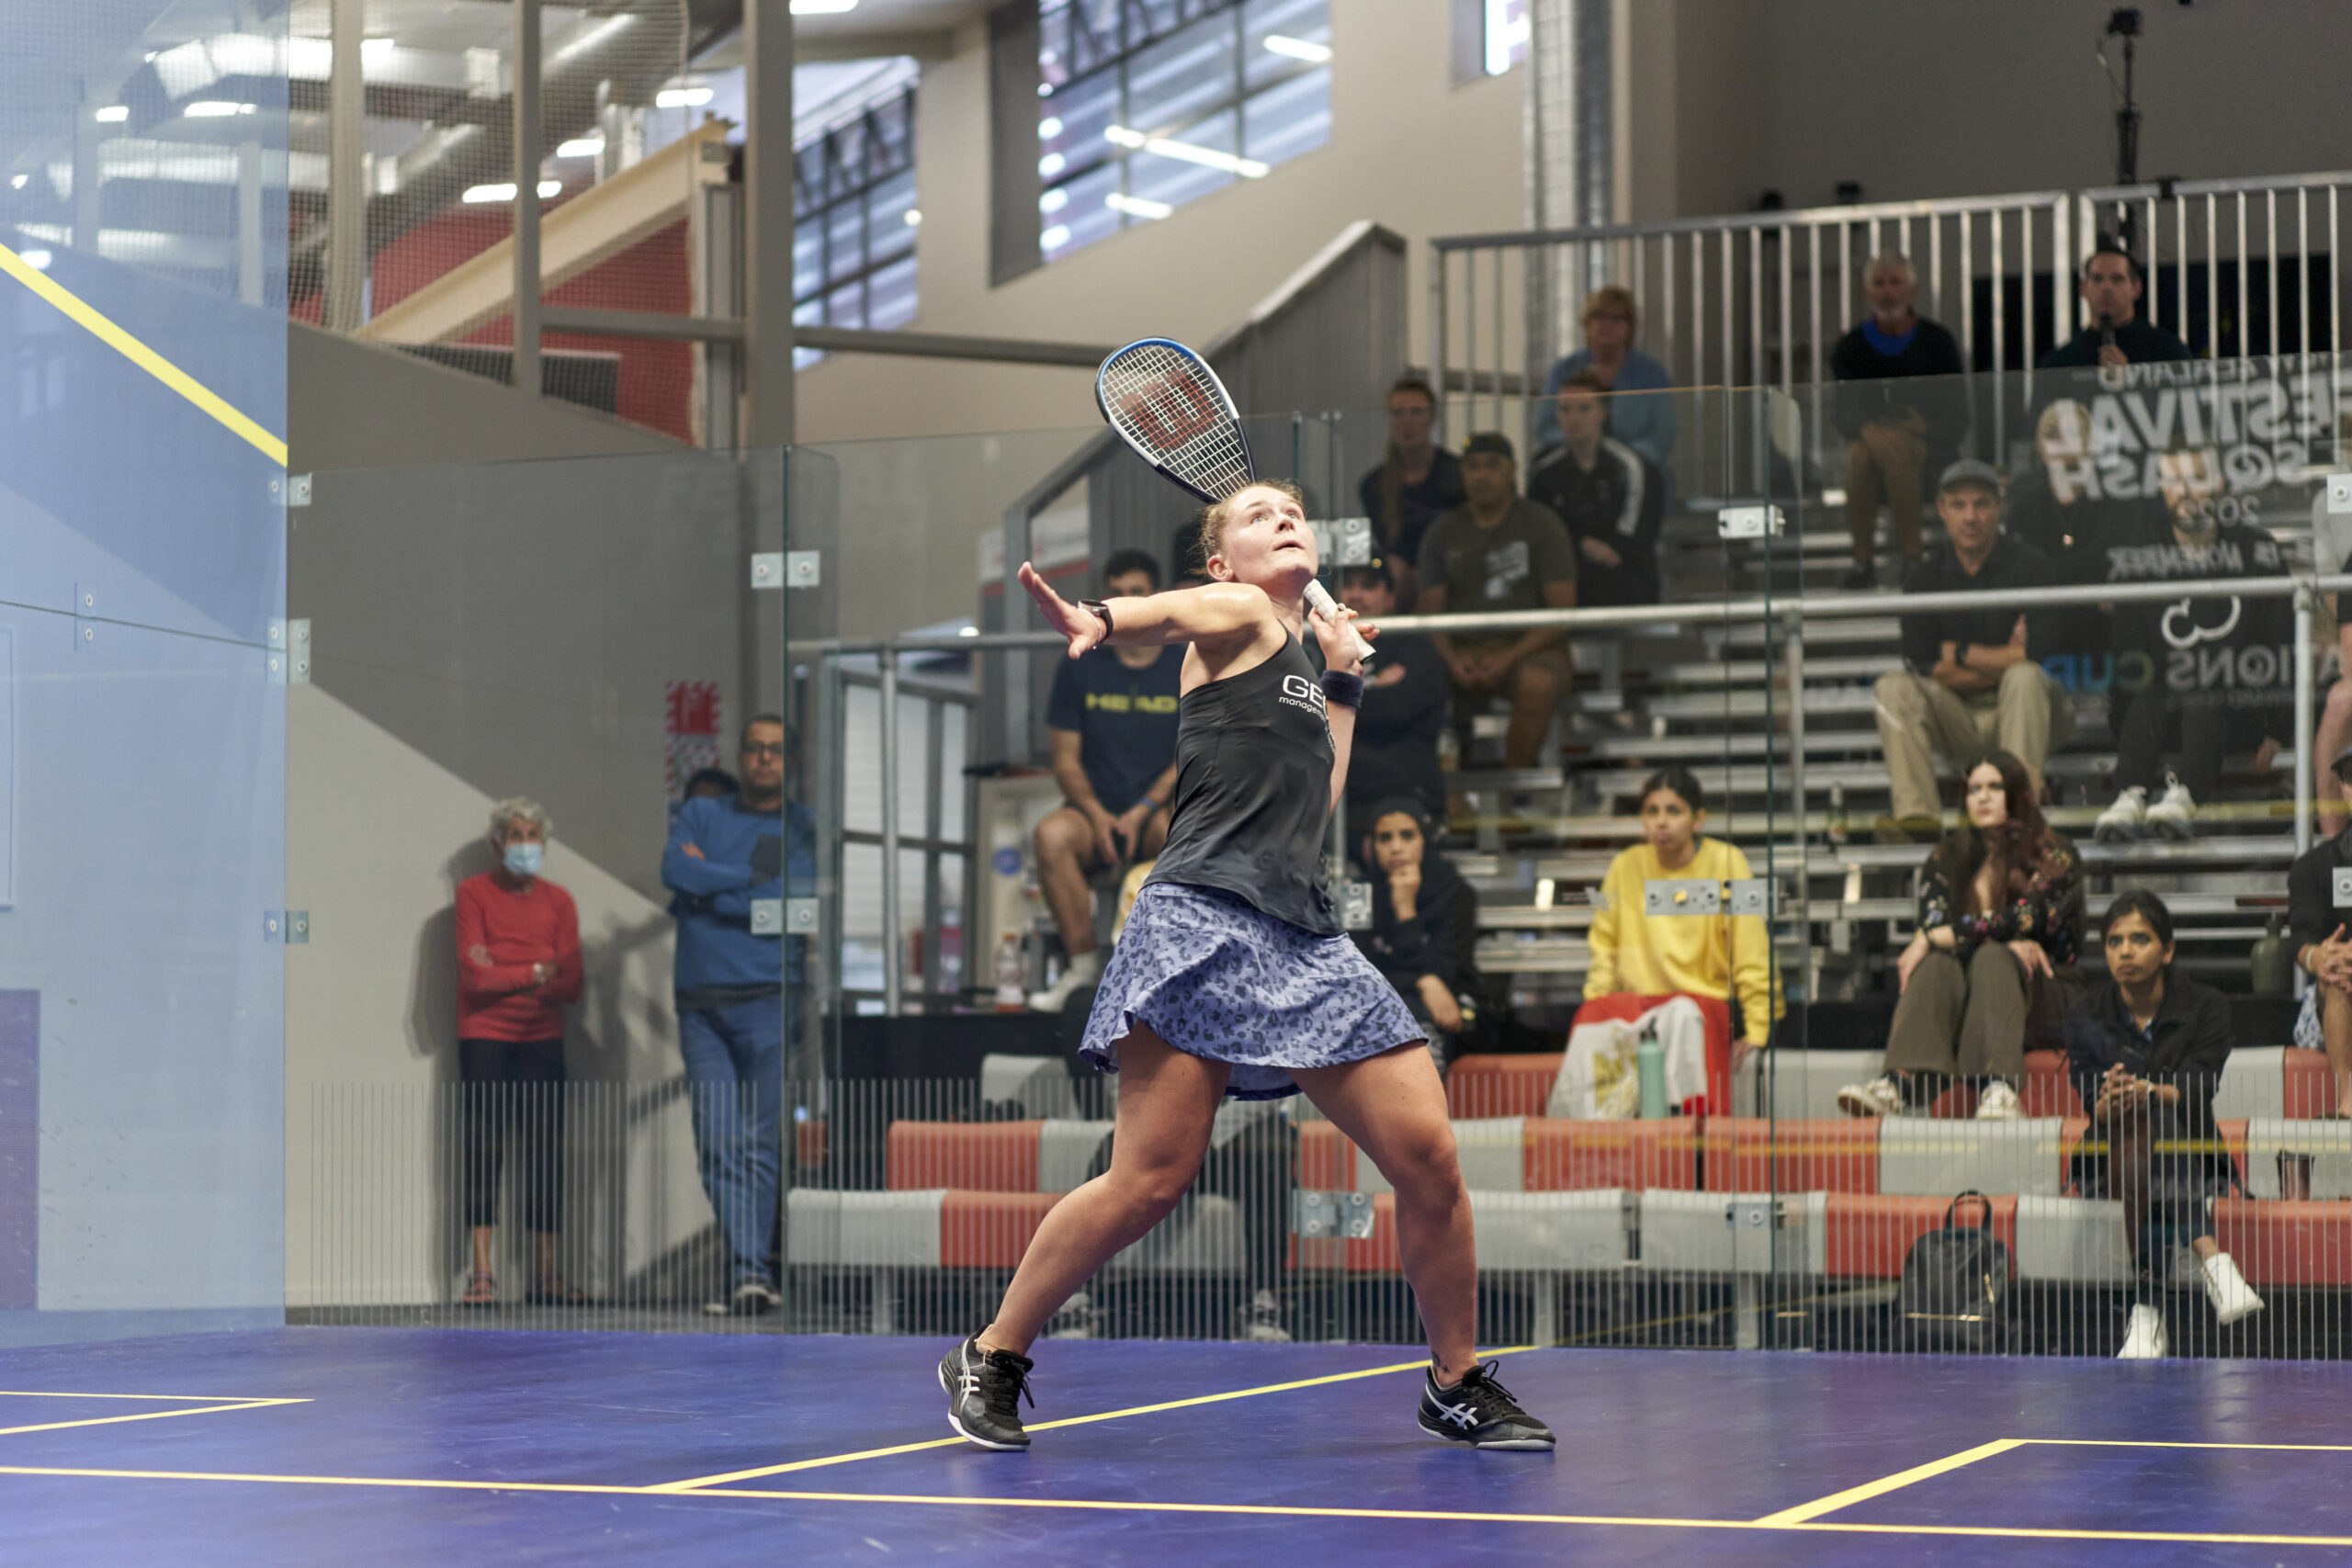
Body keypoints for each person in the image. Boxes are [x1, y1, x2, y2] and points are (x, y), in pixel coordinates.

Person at [940, 480, 1555, 1454]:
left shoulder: (1300, 664)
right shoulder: (1232, 611)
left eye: (1295, 512)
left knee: (1428, 1160)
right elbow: (1177, 608)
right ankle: (994, 1351)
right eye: (1260, 514)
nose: (1286, 519)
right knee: (1148, 1180)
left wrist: (1344, 681)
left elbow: (1320, 795)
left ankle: (1455, 1383)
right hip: (1199, 921)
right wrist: (1102, 618)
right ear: (1221, 560)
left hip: (1302, 935)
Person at [2064, 891, 2264, 1359]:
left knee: (2153, 1119)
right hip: (2105, 1161)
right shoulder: (2085, 1016)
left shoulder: (2206, 1006)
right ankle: (2212, 1258)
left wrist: (2148, 1092)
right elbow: (2090, 1096)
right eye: (2114, 942)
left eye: (2139, 939)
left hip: (2191, 1156)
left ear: (2167, 950)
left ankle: (2147, 1311)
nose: (2125, 952)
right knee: (2138, 1123)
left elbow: (2198, 1088)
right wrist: (2111, 1101)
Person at [1838, 753, 2083, 1121]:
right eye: (1974, 789)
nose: (1982, 798)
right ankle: (1898, 1083)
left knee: (1989, 957)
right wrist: (1990, 937)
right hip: (1970, 993)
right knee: (1938, 961)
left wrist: (1965, 937)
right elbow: (1935, 924)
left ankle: (1999, 1088)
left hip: (2045, 990)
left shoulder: (2055, 852)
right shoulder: (1946, 856)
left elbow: (2029, 917)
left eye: (1994, 787)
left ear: (2017, 793)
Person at [662, 713, 804, 1316]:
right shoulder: (701, 814)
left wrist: (706, 893)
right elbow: (676, 871)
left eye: (774, 750)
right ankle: (745, 1266)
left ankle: (748, 1269)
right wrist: (748, 880)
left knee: (758, 1142)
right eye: (753, 748)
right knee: (718, 1141)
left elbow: (793, 913)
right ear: (741, 757)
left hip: (769, 999)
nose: (763, 758)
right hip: (701, 1004)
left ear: (787, 760)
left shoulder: (801, 827)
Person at [2091, 454, 2292, 841]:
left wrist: (2279, 730)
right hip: (2161, 716)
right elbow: (2129, 659)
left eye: (2196, 478)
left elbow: (2281, 644)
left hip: (2238, 712)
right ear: (2162, 489)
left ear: (2219, 484)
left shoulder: (2257, 550)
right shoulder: (2140, 556)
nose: (2184, 490)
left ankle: (2184, 797)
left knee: (2205, 681)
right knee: (2154, 688)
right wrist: (2122, 728)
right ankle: (2129, 796)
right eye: (2173, 481)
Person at [1871, 459, 2071, 840]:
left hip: (2030, 714)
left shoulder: (2032, 567)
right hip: (1957, 716)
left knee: (2025, 678)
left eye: (1981, 504)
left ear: (1999, 507)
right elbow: (1928, 667)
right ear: (1942, 510)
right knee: (1893, 687)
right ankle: (1918, 821)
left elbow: (2040, 655)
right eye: (1959, 506)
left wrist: (1959, 653)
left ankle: (2019, 813)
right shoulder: (1924, 577)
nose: (1971, 517)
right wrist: (2007, 655)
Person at [1029, 549, 1184, 1011]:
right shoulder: (1082, 662)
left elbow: (1191, 750)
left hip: (1158, 811)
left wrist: (1144, 810)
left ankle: (1163, 972)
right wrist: (1097, 816)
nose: (1125, 600)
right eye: (1116, 592)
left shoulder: (1183, 663)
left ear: (1153, 596)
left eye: (1136, 592)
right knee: (1051, 836)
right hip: (1094, 811)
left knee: (1183, 836)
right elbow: (1065, 760)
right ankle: (1080, 977)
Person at [453, 797, 584, 1308]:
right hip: (485, 1035)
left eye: (533, 835)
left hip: (543, 1038)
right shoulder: (473, 893)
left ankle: (546, 1272)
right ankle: (481, 1272)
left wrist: (504, 969)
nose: (525, 844)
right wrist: (534, 971)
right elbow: (474, 977)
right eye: (515, 835)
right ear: (496, 843)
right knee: (484, 1147)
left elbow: (571, 982)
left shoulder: (560, 901)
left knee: (545, 1151)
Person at [1582, 769, 1780, 1064]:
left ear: (1698, 819)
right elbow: (1604, 951)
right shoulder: (1623, 866)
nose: (1661, 821)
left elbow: (1752, 951)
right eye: (1652, 811)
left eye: (1673, 810)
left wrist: (1758, 1029)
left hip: (1706, 1016)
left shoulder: (1730, 861)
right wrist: (1595, 1016)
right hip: (1637, 1018)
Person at [1417, 433, 1579, 770]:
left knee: (1539, 682)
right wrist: (1451, 659)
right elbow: (1429, 613)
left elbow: (1561, 613)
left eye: (1493, 466)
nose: (1482, 475)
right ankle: (1443, 792)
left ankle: (1512, 784)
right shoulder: (1442, 530)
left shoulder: (1542, 524)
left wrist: (1507, 658)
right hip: (1460, 651)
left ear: (1512, 471)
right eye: (1473, 467)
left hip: (1530, 650)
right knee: (1412, 677)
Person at [1829, 253, 1966, 589]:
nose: (1887, 292)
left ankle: (1872, 562)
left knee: (1883, 449)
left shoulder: (1938, 342)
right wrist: (1871, 431)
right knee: (1863, 453)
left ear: (1912, 291)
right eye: (1878, 283)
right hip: (1870, 449)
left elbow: (1959, 415)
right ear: (1866, 292)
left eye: (1895, 282)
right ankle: (1906, 558)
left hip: (1931, 453)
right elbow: (1844, 412)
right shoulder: (1850, 346)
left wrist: (1920, 428)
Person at [1354, 797, 1481, 1076]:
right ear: (1372, 846)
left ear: (1425, 840)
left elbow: (1446, 972)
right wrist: (1423, 980)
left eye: (1407, 836)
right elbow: (1362, 974)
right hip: (1382, 1007)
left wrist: (1405, 909)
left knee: (1417, 1012)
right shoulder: (1359, 897)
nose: (1396, 847)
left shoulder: (1456, 896)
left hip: (1445, 1012)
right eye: (1385, 838)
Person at [1527, 370, 1665, 609]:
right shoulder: (1544, 470)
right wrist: (1581, 544)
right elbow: (1541, 530)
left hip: (1625, 585)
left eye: (1584, 408)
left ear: (1603, 412)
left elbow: (1636, 535)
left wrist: (1605, 549)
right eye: (1565, 410)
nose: (1573, 418)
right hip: (1565, 584)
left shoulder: (1634, 467)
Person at [1335, 558, 1449, 828]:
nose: (1356, 594)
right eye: (1348, 585)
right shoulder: (1318, 647)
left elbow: (1397, 710)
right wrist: (1374, 688)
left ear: (1389, 598)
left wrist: (1344, 696)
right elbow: (1311, 716)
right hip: (1341, 794)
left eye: (1368, 586)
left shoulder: (1415, 645)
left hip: (1405, 788)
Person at [1533, 285, 1677, 470]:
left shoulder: (1651, 373)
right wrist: (1584, 450)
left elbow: (1662, 436)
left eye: (1617, 318)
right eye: (1599, 316)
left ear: (1630, 327)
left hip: (1638, 471)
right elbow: (1546, 429)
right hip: (1573, 468)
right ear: (1586, 323)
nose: (1607, 325)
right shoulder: (1565, 370)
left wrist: (1619, 457)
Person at [1357, 376, 1465, 609]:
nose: (1407, 421)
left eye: (1416, 412)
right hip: (1402, 584)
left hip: (1452, 572)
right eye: (1398, 413)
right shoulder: (1374, 485)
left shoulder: (1457, 474)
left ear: (1432, 418)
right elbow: (1388, 549)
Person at [2289, 777, 2352, 1112]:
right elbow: (2300, 938)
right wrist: (2320, 957)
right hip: (2334, 996)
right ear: (2344, 789)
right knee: (2336, 975)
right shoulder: (2313, 866)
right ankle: (2348, 1104)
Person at [2036, 244, 2193, 370]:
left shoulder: (2167, 352)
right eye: (2097, 279)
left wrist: (2132, 378)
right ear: (2083, 289)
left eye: (2117, 279)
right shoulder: (2059, 363)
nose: (2106, 287)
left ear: (2136, 288)